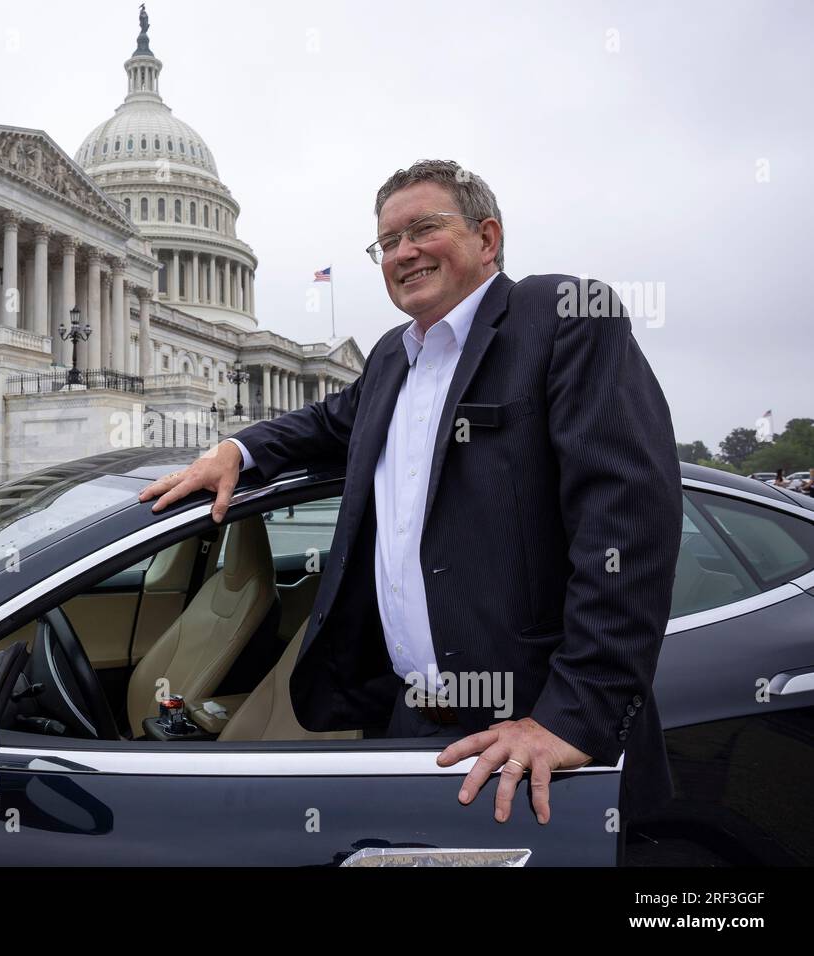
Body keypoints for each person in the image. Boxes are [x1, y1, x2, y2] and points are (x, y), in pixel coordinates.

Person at [139, 160, 681, 825]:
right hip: (408, 715)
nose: (403, 252)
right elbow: (329, 422)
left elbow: (626, 525)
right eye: (388, 242)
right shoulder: (396, 354)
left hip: (530, 735)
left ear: (488, 239)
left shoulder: (561, 320)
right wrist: (236, 449)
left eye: (424, 228)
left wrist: (569, 720)